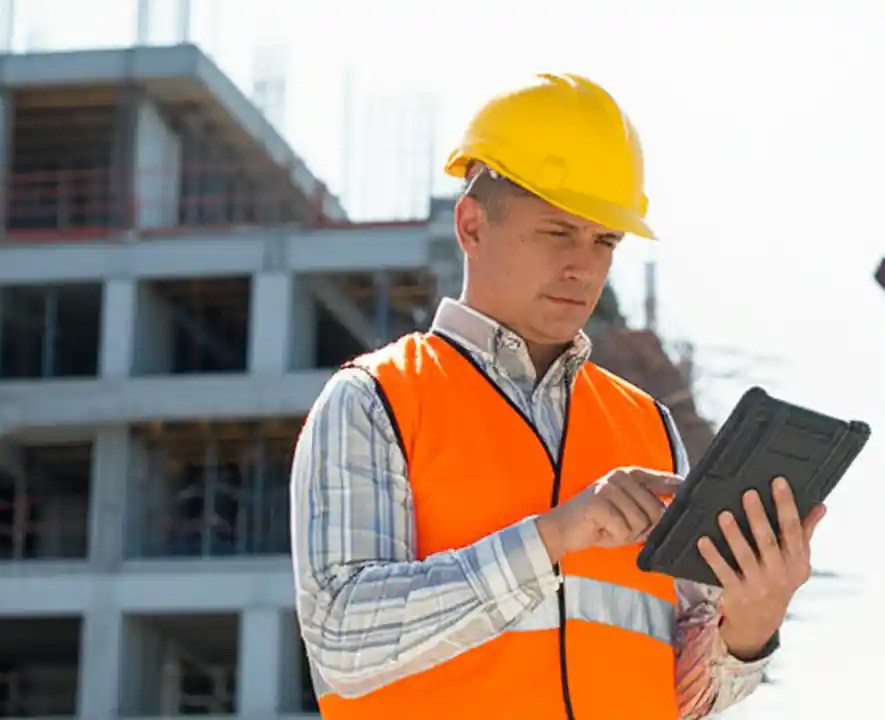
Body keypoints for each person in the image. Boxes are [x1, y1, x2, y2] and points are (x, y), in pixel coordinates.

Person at [290, 72, 829, 720]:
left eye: (604, 240)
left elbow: (677, 699)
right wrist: (553, 537)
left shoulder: (646, 427)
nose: (584, 265)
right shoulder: (376, 401)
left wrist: (749, 629)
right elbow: (344, 642)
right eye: (557, 232)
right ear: (472, 226)